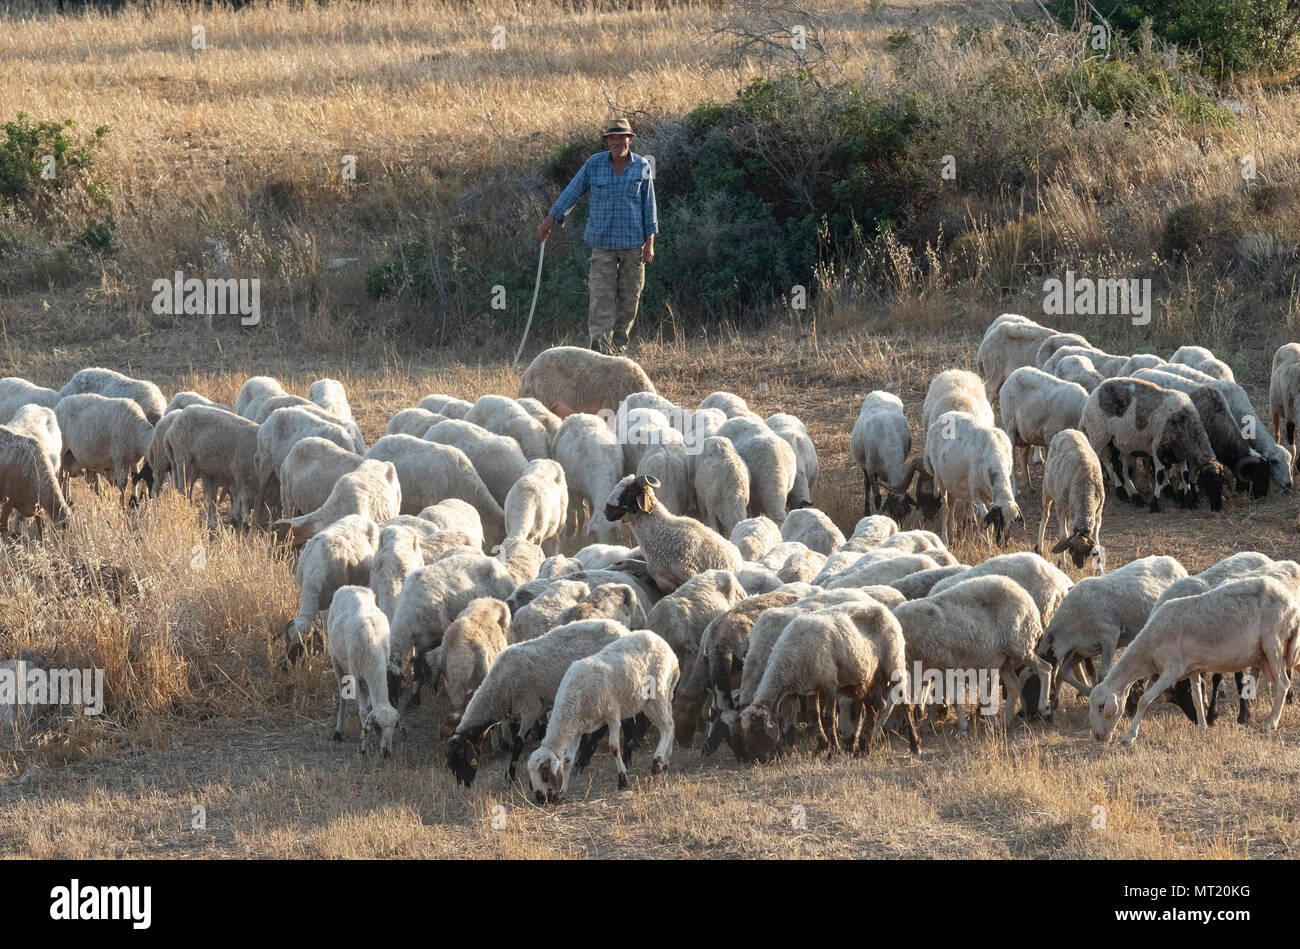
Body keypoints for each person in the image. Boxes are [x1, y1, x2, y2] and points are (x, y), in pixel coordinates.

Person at [537, 118, 658, 355]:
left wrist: (650, 242)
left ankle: (617, 351)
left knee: (629, 301)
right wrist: (550, 219)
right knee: (601, 301)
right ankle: (600, 354)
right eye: (612, 138)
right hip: (602, 246)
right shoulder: (594, 164)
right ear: (607, 142)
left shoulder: (642, 165)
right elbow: (572, 191)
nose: (617, 142)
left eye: (622, 137)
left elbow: (649, 205)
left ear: (630, 140)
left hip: (634, 246)